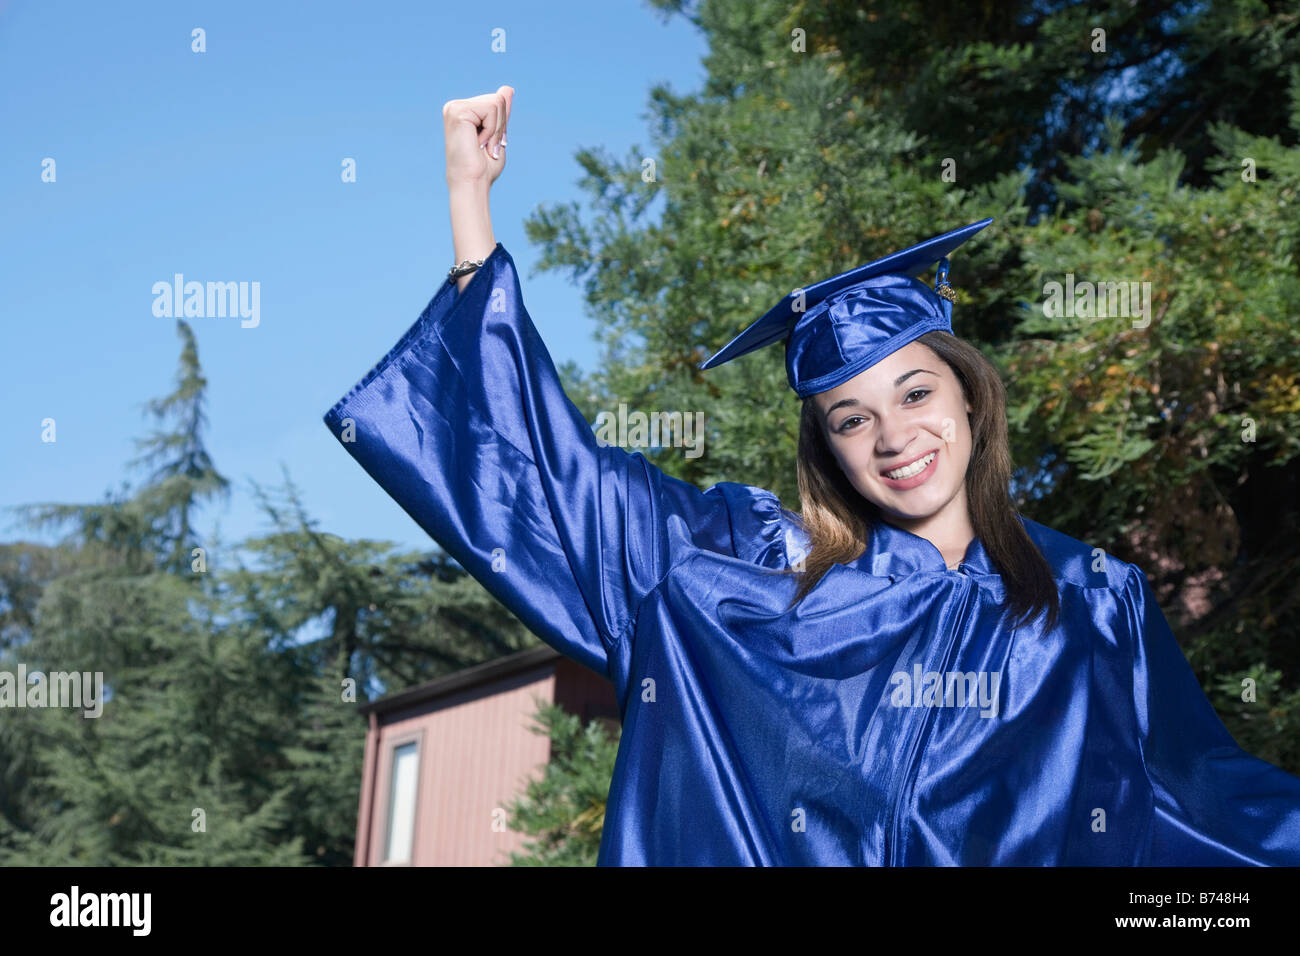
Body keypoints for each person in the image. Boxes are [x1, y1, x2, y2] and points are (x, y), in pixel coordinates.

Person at [323, 86, 1300, 865]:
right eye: (850, 415)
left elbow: (1203, 800)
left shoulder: (1095, 600)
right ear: (825, 444)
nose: (892, 435)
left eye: (915, 394)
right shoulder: (752, 573)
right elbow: (550, 483)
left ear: (969, 399)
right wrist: (470, 207)